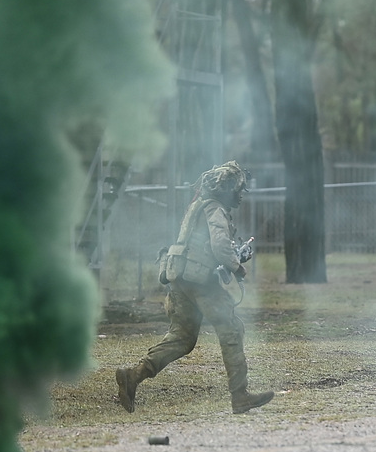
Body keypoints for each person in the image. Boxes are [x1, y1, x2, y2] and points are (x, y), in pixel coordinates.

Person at [115, 161, 274, 415]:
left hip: (180, 277)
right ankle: (240, 396)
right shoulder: (215, 209)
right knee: (232, 329)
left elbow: (201, 245)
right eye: (238, 191)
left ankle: (132, 376)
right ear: (226, 189)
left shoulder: (198, 206)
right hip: (199, 281)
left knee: (183, 338)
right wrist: (237, 267)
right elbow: (220, 246)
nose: (240, 196)